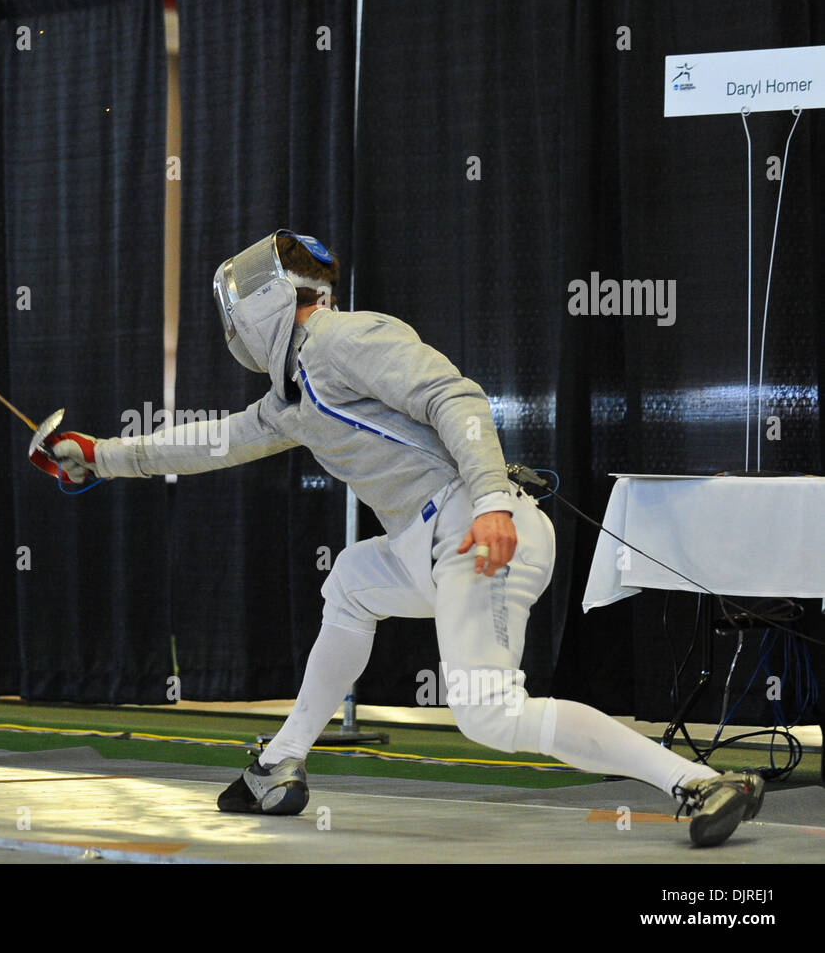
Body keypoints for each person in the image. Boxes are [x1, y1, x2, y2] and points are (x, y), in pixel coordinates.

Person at [51, 229, 764, 846]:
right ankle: (281, 761)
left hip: (476, 527)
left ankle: (699, 782)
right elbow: (211, 442)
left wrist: (488, 499)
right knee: (352, 584)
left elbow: (455, 396)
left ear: (270, 298)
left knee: (489, 712)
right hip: (429, 540)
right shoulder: (291, 395)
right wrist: (102, 456)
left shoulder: (342, 337)